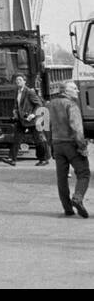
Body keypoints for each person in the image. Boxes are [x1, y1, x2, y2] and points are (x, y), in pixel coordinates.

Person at [46, 81, 89, 217]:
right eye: (74, 89)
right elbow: (76, 128)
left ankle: (67, 208)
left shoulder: (50, 104)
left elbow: (46, 126)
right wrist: (82, 146)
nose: (77, 91)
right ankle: (77, 198)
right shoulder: (71, 105)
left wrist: (51, 143)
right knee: (84, 173)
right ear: (66, 91)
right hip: (71, 143)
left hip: (57, 143)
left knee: (61, 177)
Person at [6, 74, 49, 166]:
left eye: (20, 80)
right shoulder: (17, 91)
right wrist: (15, 111)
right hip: (22, 119)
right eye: (17, 80)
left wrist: (33, 115)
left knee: (38, 140)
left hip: (32, 120)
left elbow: (39, 104)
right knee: (16, 139)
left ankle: (43, 159)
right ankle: (12, 159)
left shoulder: (29, 92)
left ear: (25, 81)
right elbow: (17, 104)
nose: (18, 81)